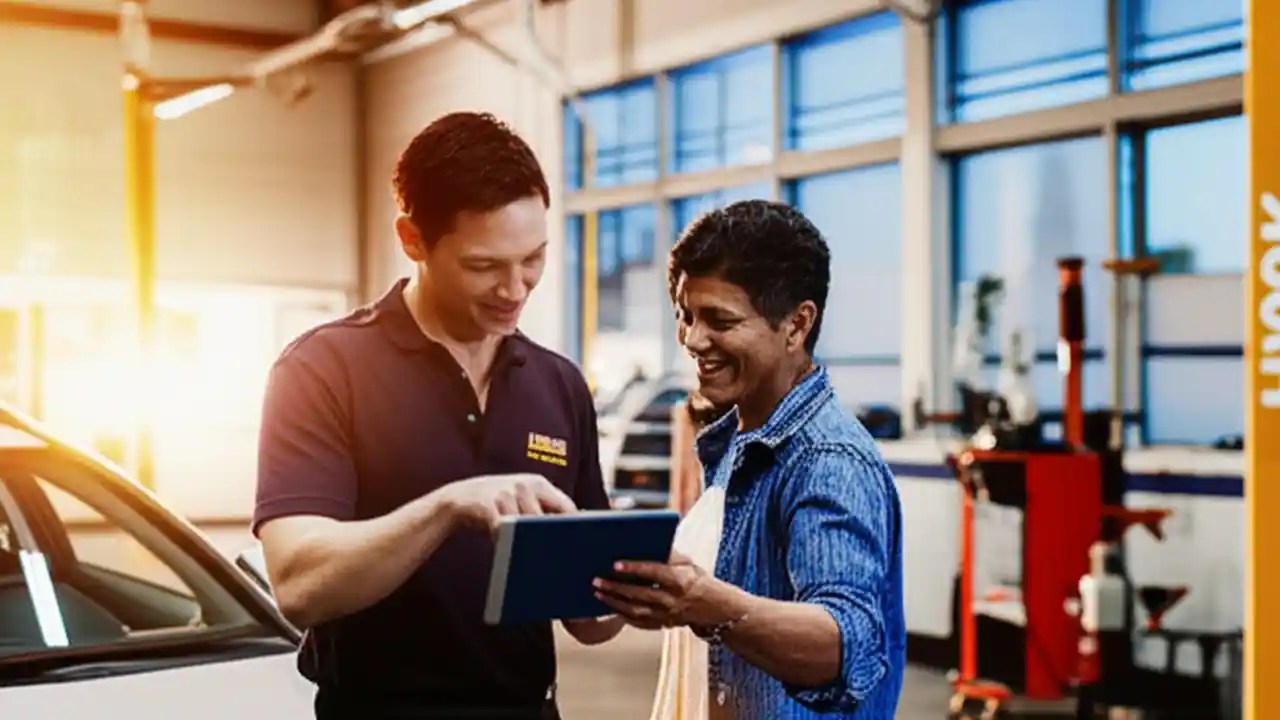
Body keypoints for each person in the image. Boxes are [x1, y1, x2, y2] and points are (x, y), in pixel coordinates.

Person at [252, 111, 624, 720]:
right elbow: (298, 584)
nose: (515, 288)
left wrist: (638, 591)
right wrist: (448, 507)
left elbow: (587, 621)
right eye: (484, 266)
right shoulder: (323, 369)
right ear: (412, 239)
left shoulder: (559, 383)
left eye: (533, 258)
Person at [595, 200, 906, 719]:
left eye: (720, 320)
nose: (693, 339)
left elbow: (843, 647)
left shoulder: (825, 459)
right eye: (685, 314)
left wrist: (705, 605)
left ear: (797, 325)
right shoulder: (739, 440)